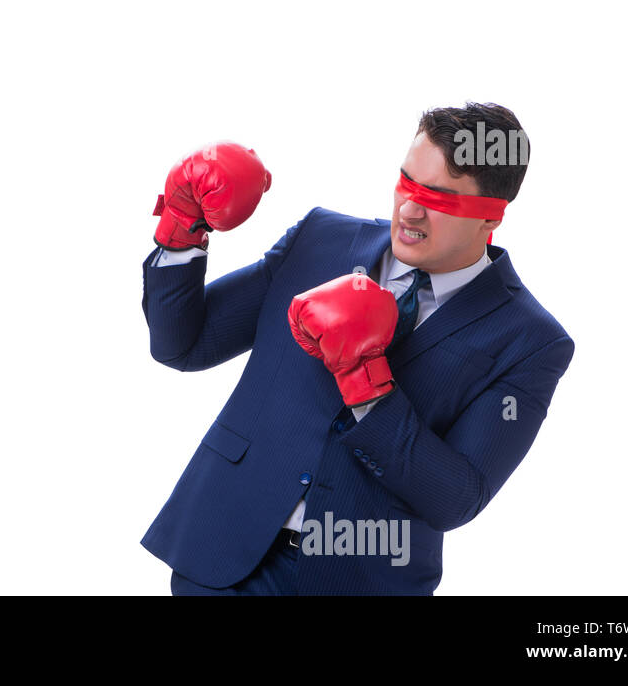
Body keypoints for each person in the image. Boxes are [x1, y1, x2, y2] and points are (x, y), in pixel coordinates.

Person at [141, 103, 574, 595]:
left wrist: (366, 385)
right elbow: (184, 345)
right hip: (221, 553)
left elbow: (456, 497)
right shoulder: (321, 240)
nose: (410, 209)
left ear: (490, 216)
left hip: (361, 580)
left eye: (440, 198)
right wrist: (182, 227)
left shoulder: (531, 340)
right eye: (408, 183)